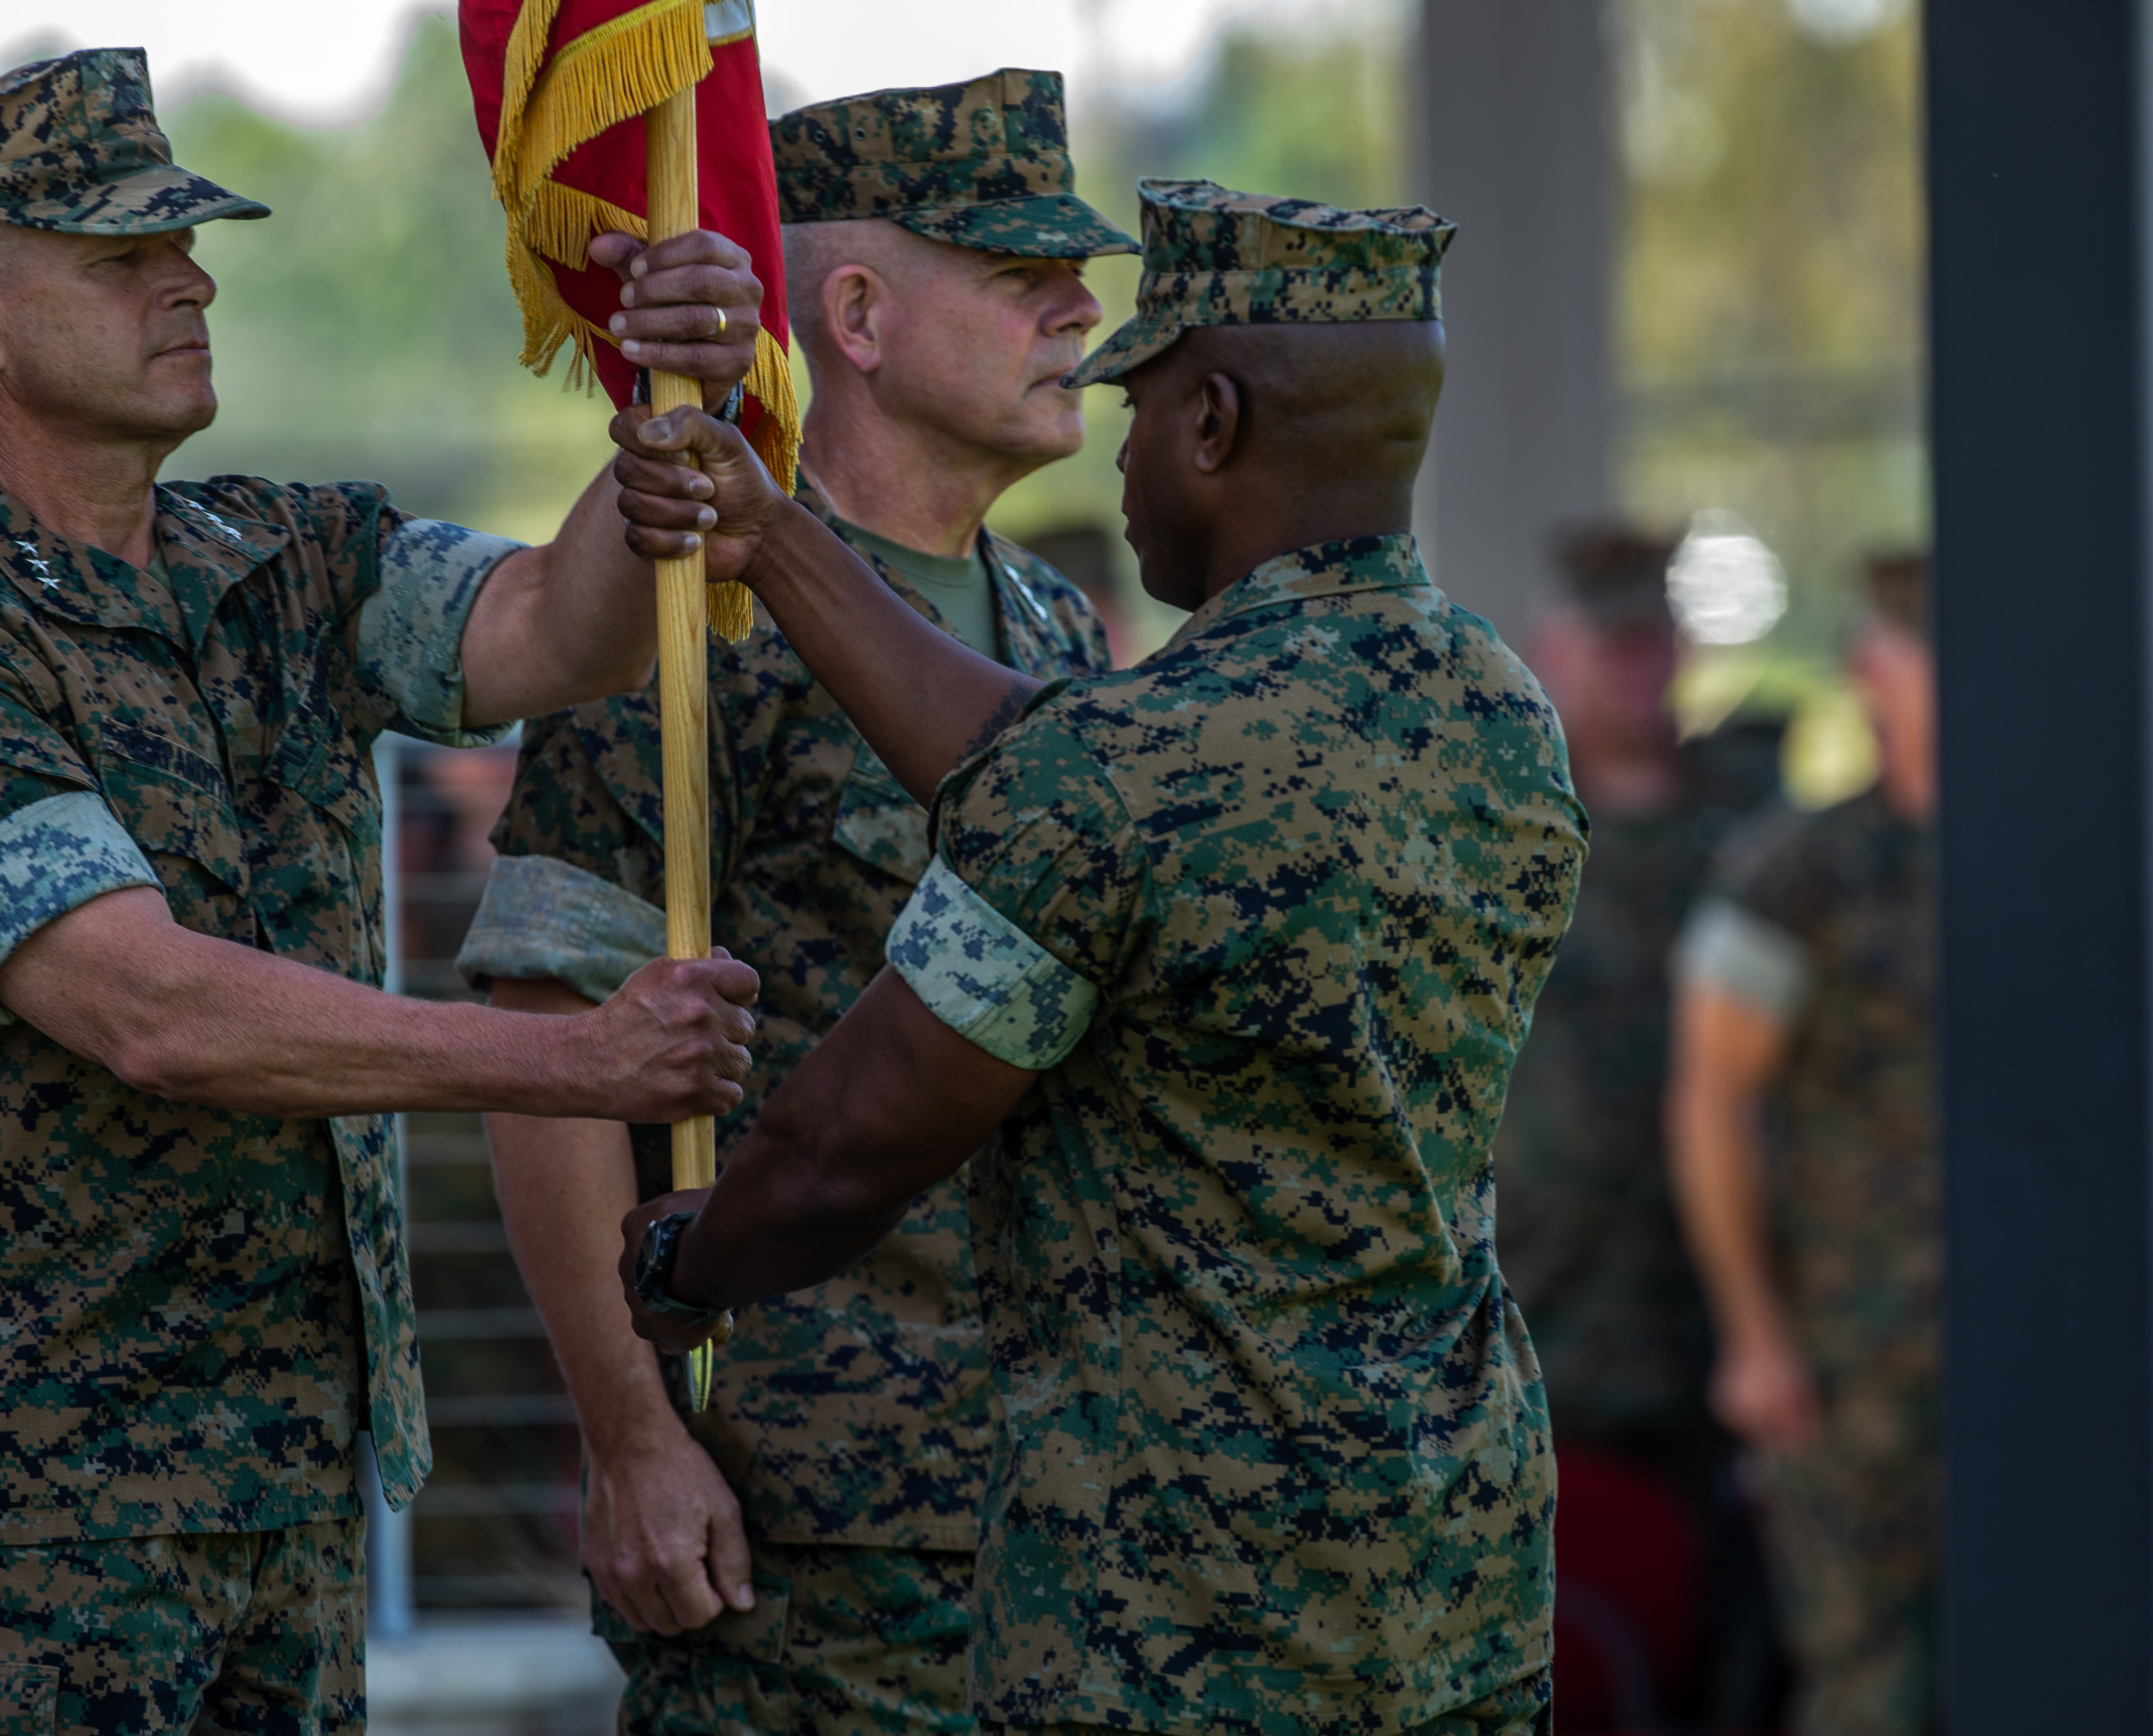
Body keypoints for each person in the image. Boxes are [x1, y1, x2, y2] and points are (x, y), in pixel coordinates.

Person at [0, 48, 766, 1735]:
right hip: (24, 1518)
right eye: (123, 259)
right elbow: (149, 1007)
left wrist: (669, 404)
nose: (193, 279)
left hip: (279, 1476)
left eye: (186, 242)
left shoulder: (280, 552)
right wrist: (565, 1064)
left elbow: (552, 628)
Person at [606, 178, 1586, 1734]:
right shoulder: (1494, 710)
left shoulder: (1129, 780)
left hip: (1180, 1608)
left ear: (1210, 425)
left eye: (1138, 408)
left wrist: (682, 1266)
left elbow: (842, 1150)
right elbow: (1042, 767)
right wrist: (778, 538)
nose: (1116, 452)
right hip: (1450, 1568)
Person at [455, 68, 1131, 1734]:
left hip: (1047, 1482)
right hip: (803, 1493)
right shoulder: (693, 611)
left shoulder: (1049, 626)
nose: (1079, 311)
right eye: (1018, 275)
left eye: (1077, 273)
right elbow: (549, 1042)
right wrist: (630, 1432)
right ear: (858, 315)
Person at [1495, 530, 1783, 1723]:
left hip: (1725, 1329)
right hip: (1549, 1334)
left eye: (1652, 642)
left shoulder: (1758, 837)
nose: (1636, 669)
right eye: (1610, 643)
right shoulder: (1503, 825)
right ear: (1555, 650)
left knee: (1741, 1658)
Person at [1667, 554, 1939, 1736]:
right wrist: (1757, 1336)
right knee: (1868, 1690)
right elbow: (1712, 1100)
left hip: (2045, 1362)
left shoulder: (2070, 840)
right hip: (1852, 1375)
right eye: (1908, 645)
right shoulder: (1802, 869)